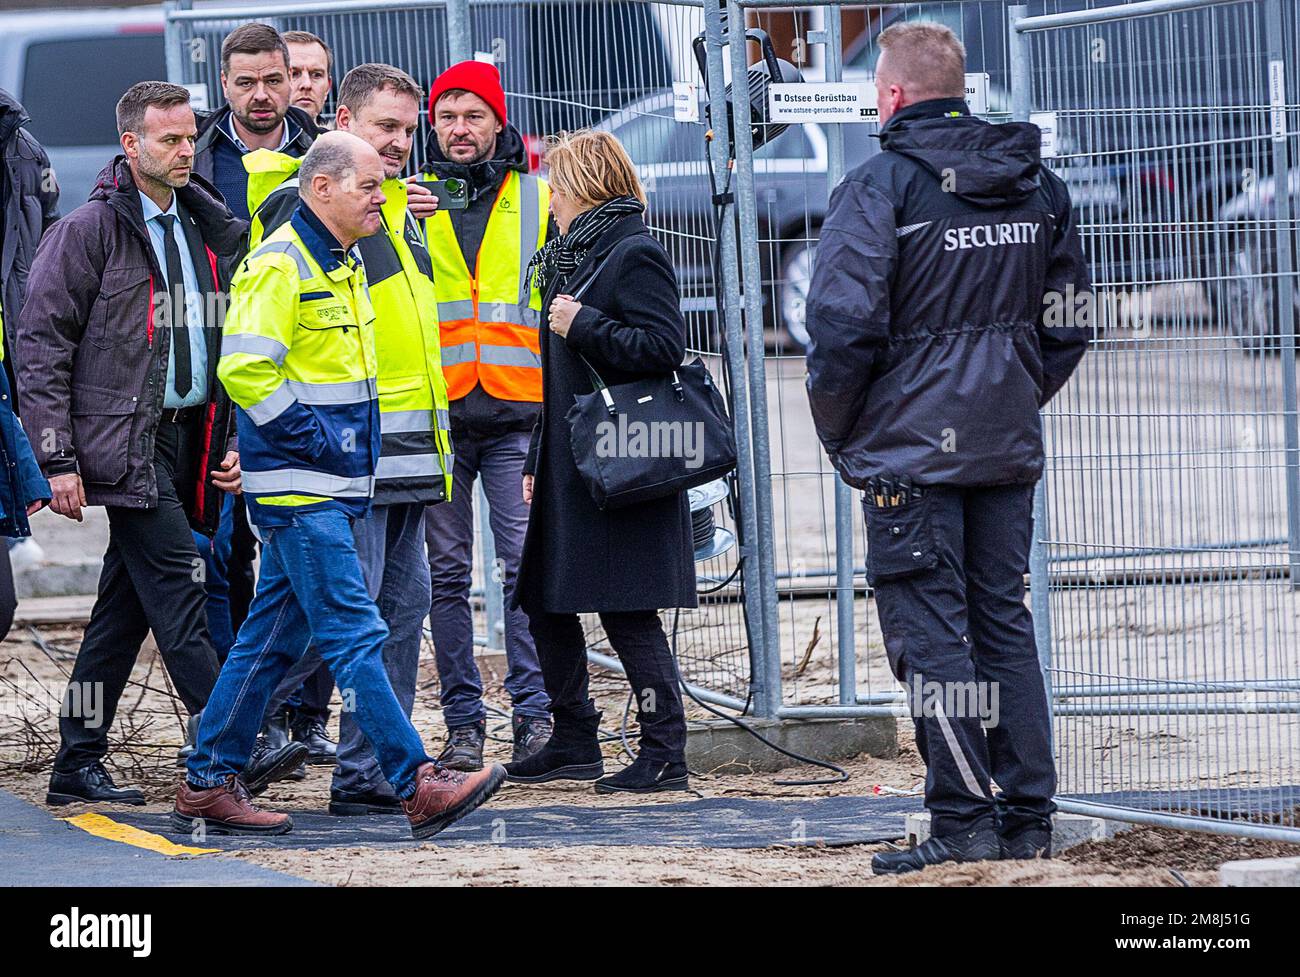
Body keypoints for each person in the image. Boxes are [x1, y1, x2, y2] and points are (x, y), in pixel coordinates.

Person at [802, 22, 1092, 874]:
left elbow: (841, 330)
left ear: (889, 95)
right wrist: (1011, 393)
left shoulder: (880, 185)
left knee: (933, 642)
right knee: (1003, 624)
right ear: (959, 88)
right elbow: (1070, 319)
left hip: (910, 461)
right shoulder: (1038, 184)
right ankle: (1027, 817)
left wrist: (844, 429)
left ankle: (962, 821)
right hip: (1001, 448)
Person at [176, 132, 504, 838]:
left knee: (272, 635)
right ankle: (416, 779)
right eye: (368, 186)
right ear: (321, 188)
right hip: (301, 490)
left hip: (332, 484)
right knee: (356, 633)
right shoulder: (280, 264)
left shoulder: (344, 260)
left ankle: (208, 776)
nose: (381, 198)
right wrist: (316, 441)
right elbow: (245, 370)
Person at [15, 82, 292, 805]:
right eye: (168, 140)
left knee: (119, 616)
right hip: (124, 448)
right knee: (184, 593)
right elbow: (40, 345)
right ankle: (239, 738)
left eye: (189, 139)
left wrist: (232, 440)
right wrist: (57, 457)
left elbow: (220, 349)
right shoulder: (87, 231)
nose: (183, 151)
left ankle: (76, 758)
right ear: (131, 145)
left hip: (190, 441)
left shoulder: (206, 227)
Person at [245, 63, 455, 817]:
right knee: (333, 621)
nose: (400, 144)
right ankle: (243, 746)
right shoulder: (312, 211)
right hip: (340, 460)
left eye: (407, 129)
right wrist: (288, 434)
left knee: (393, 615)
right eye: (383, 128)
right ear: (341, 123)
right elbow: (259, 348)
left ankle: (366, 772)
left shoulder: (396, 211)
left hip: (403, 453)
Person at [504, 130, 696, 795]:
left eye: (557, 183)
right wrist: (536, 450)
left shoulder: (632, 251)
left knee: (627, 611)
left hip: (621, 464)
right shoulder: (568, 256)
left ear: (585, 184)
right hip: (570, 462)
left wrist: (584, 322)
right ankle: (574, 736)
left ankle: (665, 751)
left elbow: (664, 345)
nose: (549, 197)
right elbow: (560, 376)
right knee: (541, 599)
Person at [191, 21, 335, 768]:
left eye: (273, 80)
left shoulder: (326, 158)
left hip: (303, 381)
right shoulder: (197, 158)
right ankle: (248, 722)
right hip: (217, 389)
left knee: (307, 558)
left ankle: (300, 713)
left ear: (293, 79)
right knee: (220, 560)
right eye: (244, 82)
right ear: (225, 85)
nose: (261, 94)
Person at [422, 61, 554, 771]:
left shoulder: (538, 197)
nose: (460, 129)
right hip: (439, 420)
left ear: (499, 121)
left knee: (521, 567)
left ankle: (536, 718)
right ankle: (464, 723)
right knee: (446, 575)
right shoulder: (405, 201)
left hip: (515, 417)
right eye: (447, 116)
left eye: (473, 115)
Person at [284, 30, 333, 127]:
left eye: (317, 75)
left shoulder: (343, 141)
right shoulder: (250, 141)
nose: (307, 84)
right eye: (294, 74)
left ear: (328, 87)